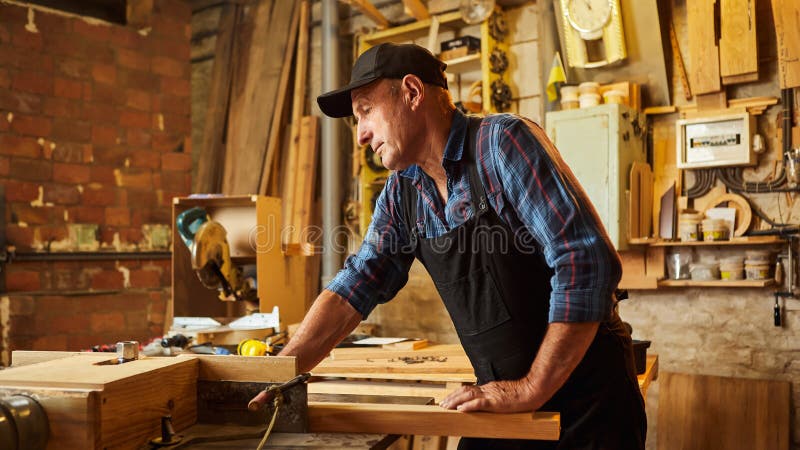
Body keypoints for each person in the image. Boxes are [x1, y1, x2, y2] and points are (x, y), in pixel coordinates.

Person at [280, 42, 646, 450]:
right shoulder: (403, 193)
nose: (362, 135)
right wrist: (278, 373)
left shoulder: (502, 144)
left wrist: (529, 389)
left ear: (413, 93)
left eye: (365, 111)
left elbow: (585, 262)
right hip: (504, 401)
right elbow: (358, 284)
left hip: (588, 404)